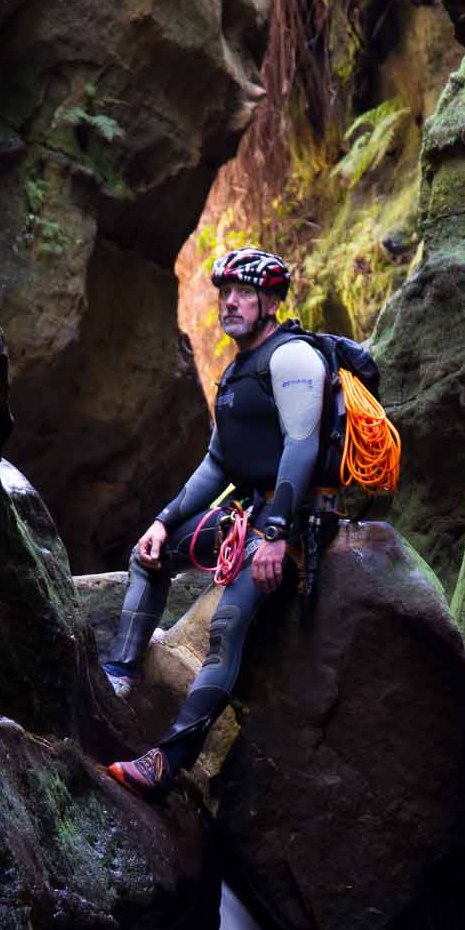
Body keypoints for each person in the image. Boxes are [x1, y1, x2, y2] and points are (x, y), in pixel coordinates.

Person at [101, 246, 329, 798]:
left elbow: (302, 448)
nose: (230, 302)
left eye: (244, 293)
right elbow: (217, 464)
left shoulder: (293, 358)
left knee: (226, 629)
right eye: (224, 292)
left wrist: (277, 535)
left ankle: (166, 764)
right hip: (246, 517)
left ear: (271, 301)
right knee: (146, 554)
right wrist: (162, 521)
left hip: (291, 525)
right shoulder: (234, 373)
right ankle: (120, 679)